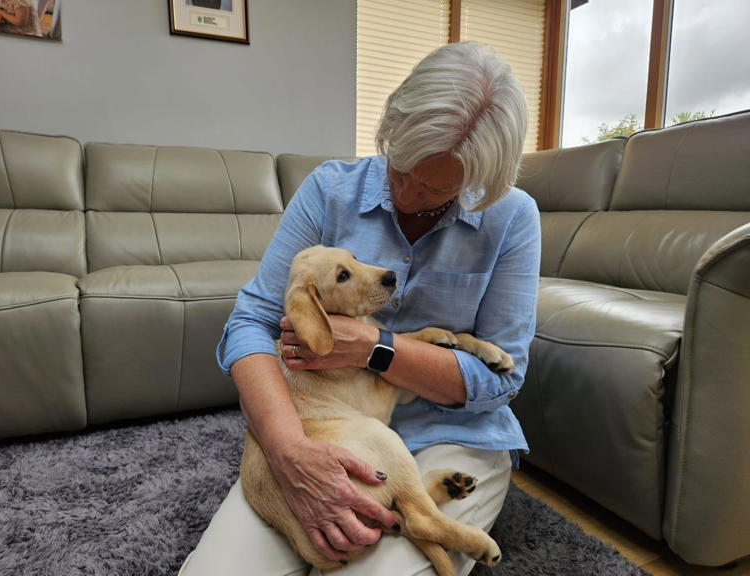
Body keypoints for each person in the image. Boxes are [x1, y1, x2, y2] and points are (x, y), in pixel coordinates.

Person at [179, 41, 540, 576]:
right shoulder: (329, 191)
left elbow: (499, 381)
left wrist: (377, 350)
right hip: (319, 428)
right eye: (401, 167)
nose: (409, 194)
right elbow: (250, 323)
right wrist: (290, 453)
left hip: (452, 433)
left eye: (436, 187)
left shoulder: (511, 218)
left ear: (476, 181)